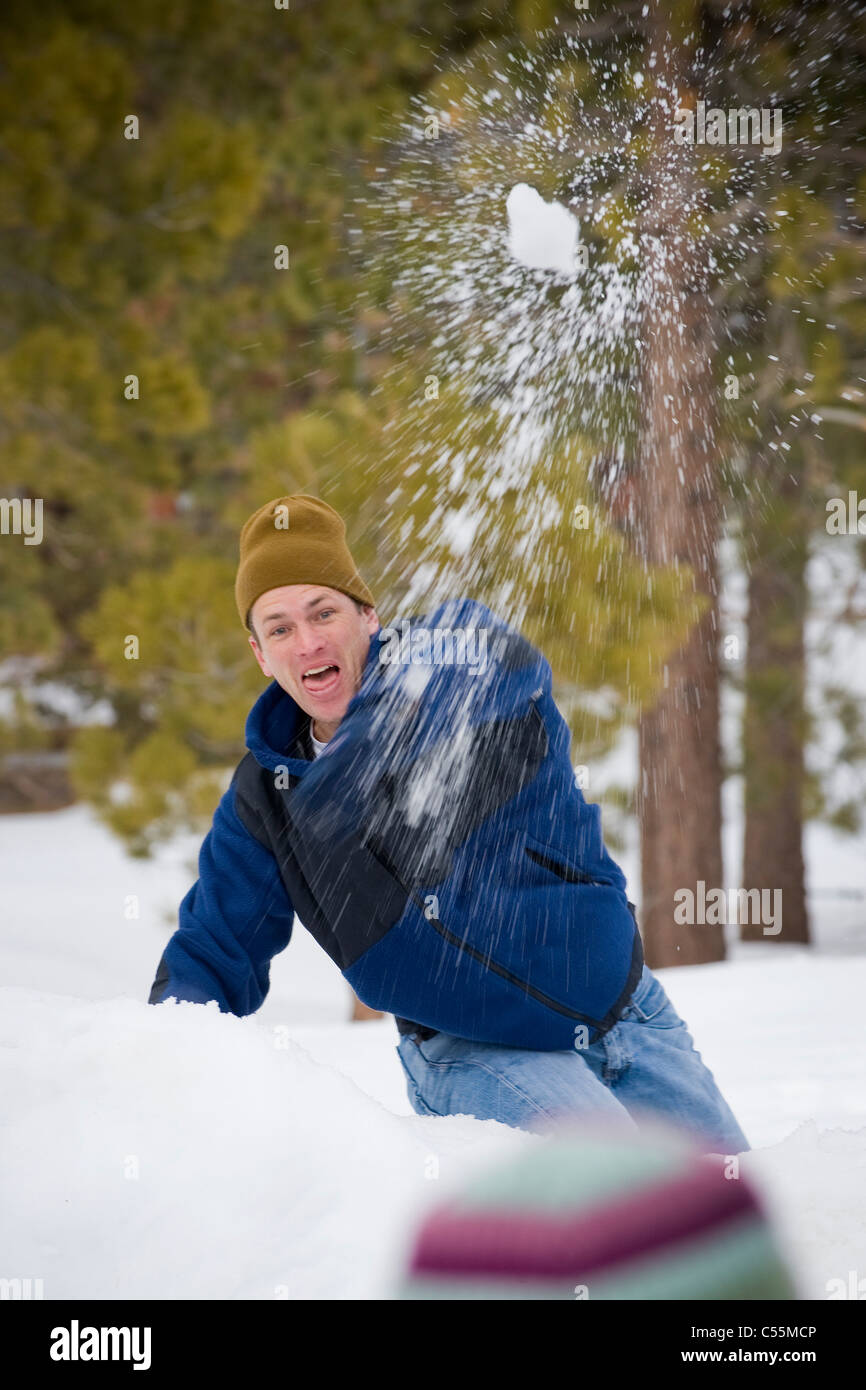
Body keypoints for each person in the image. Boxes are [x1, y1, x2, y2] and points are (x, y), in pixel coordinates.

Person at [148, 494, 750, 1156]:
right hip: (468, 1049)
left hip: (628, 1013)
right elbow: (212, 955)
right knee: (626, 1195)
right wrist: (159, 1074)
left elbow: (503, 659)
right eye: (281, 627)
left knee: (734, 1207)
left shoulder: (455, 668)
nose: (310, 641)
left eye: (324, 612)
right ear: (260, 653)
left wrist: (376, 731)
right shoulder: (267, 800)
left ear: (369, 618)